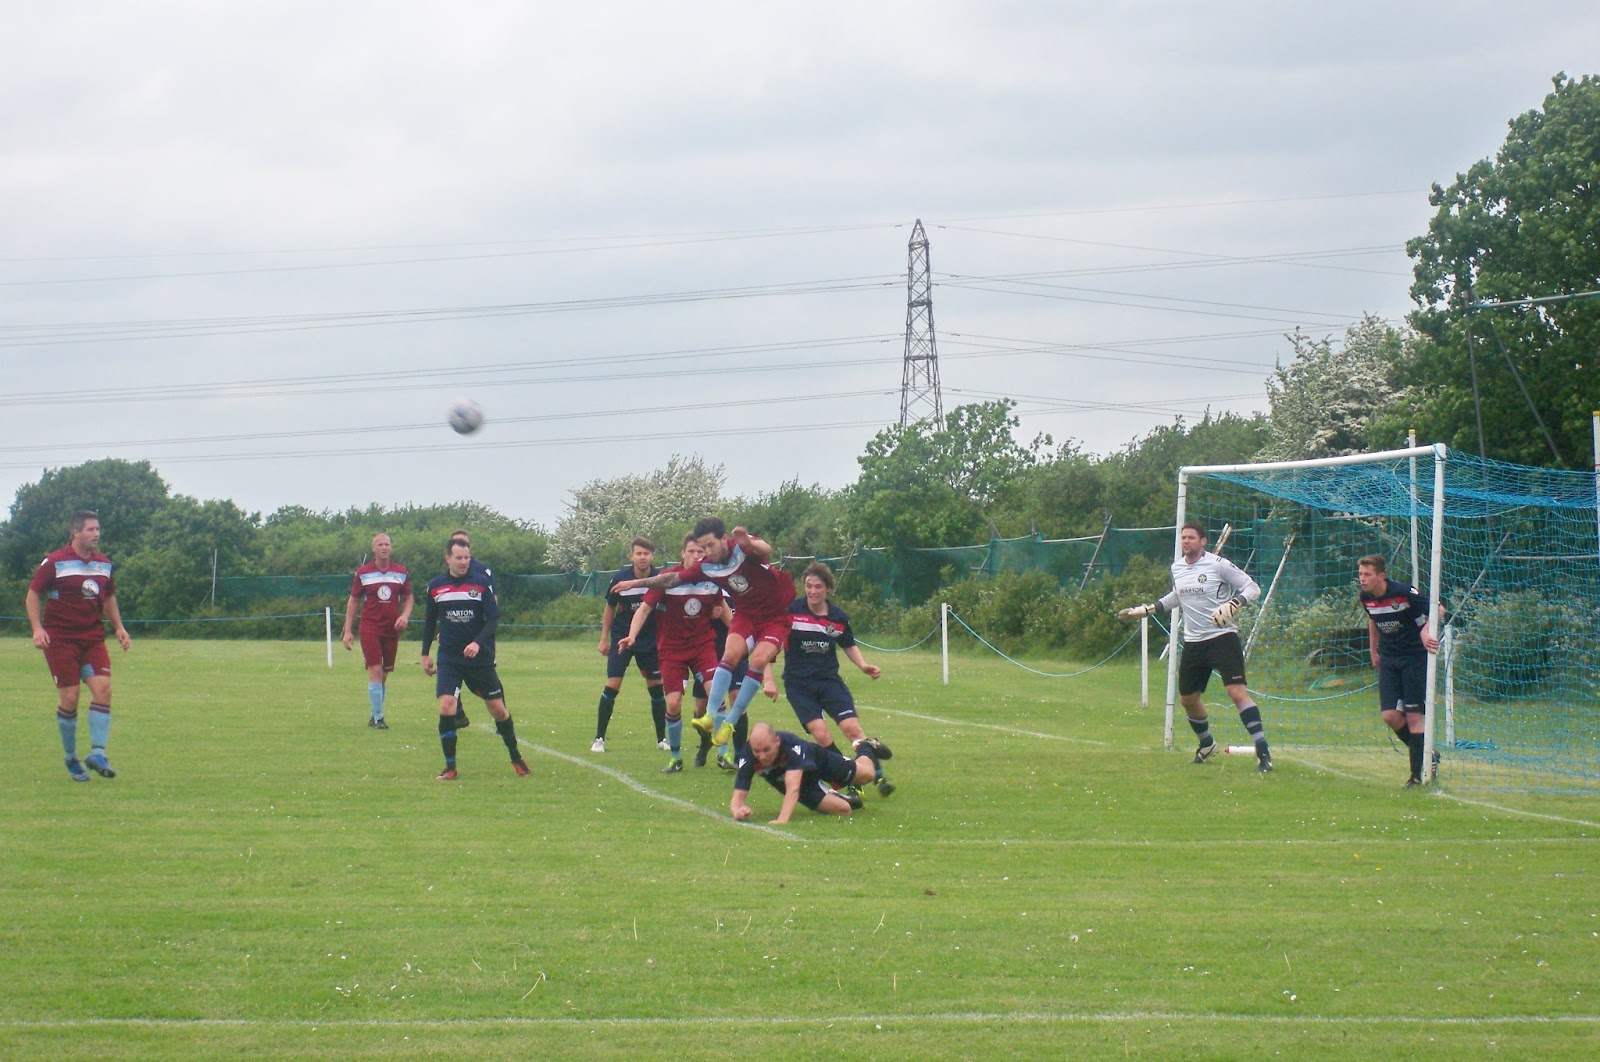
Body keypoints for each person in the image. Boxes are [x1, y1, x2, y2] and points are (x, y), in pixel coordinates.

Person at [615, 518, 795, 764]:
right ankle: (710, 719)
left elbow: (766, 549)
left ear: (723, 539)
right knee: (729, 655)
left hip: (775, 616)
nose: (706, 553)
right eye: (700, 548)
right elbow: (669, 580)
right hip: (745, 615)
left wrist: (749, 543)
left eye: (709, 546)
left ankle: (729, 724)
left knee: (759, 660)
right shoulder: (706, 567)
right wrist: (636, 583)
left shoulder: (739, 547)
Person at [1119, 522, 1272, 772]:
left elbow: (1251, 587)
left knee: (1236, 692)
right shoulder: (1177, 568)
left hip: (1222, 638)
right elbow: (1177, 596)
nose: (1186, 541)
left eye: (1191, 537)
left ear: (1203, 541)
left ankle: (1263, 750)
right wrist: (1148, 609)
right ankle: (1207, 743)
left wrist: (1234, 603)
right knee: (1187, 699)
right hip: (1194, 642)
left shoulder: (1218, 564)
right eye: (1183, 538)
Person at [25, 510, 132, 782]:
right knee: (70, 698)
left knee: (103, 689)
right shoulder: (55, 562)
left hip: (93, 638)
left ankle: (97, 753)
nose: (96, 534)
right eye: (90, 529)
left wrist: (119, 627)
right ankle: (72, 758)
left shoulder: (104, 564)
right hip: (60, 640)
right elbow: (33, 593)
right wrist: (37, 628)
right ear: (75, 532)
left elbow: (108, 597)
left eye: (97, 529)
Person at [420, 536, 528, 780]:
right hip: (449, 657)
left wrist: (477, 643)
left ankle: (515, 756)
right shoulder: (436, 586)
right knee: (447, 705)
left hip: (478, 659)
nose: (463, 562)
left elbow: (492, 619)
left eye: (467, 558)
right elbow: (429, 622)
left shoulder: (480, 584)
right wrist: (425, 653)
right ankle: (450, 767)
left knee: (498, 710)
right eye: (458, 558)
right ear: (447, 558)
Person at [784, 561, 894, 797]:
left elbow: (848, 645)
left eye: (818, 587)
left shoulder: (837, 617)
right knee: (821, 734)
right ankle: (852, 775)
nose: (813, 591)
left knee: (852, 729)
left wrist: (863, 665)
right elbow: (772, 637)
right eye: (809, 586)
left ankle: (875, 775)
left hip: (828, 682)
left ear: (828, 589)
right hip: (798, 684)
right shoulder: (792, 611)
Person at [617, 533, 723, 772]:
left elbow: (722, 607)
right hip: (672, 650)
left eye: (700, 552)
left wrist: (743, 635)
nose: (696, 556)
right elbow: (644, 609)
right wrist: (632, 635)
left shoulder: (711, 578)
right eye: (691, 552)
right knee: (673, 703)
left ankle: (724, 753)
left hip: (703, 647)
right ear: (682, 553)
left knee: (715, 693)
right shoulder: (667, 578)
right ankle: (676, 758)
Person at [1357, 555, 1441, 786]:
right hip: (1389, 661)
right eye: (1360, 574)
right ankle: (1428, 754)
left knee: (1415, 716)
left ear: (1381, 576)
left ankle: (1417, 775)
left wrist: (1425, 631)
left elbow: (1439, 609)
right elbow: (1373, 620)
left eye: (1367, 574)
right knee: (1391, 716)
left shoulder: (1403, 592)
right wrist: (1374, 652)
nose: (1362, 579)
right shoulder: (1366, 597)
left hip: (1414, 659)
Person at [591, 537, 668, 753]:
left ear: (653, 556)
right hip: (622, 637)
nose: (642, 557)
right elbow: (609, 608)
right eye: (638, 553)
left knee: (655, 687)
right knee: (613, 684)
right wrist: (604, 638)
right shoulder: (620, 579)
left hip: (650, 640)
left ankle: (662, 739)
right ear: (631, 556)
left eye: (646, 554)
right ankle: (599, 738)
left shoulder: (660, 578)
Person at [730, 722, 890, 824]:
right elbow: (737, 797)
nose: (762, 756)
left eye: (767, 750)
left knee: (867, 775)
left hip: (818, 761)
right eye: (757, 751)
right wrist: (738, 811)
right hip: (800, 782)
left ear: (777, 742)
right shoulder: (748, 757)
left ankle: (865, 747)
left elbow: (792, 789)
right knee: (844, 810)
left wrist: (782, 820)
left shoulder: (791, 746)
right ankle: (837, 795)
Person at [340, 533, 413, 729]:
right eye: (380, 544)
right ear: (374, 548)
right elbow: (354, 600)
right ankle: (380, 718)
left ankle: (374, 715)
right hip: (370, 627)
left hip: (391, 629)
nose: (384, 547)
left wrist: (404, 616)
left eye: (387, 544)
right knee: (375, 669)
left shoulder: (401, 572)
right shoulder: (363, 573)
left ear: (391, 547)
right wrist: (348, 631)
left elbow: (408, 598)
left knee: (385, 673)